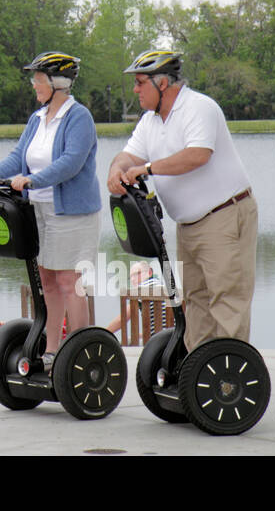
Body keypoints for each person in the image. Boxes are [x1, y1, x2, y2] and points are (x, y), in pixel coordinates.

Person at [105, 49, 257, 351]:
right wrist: (115, 170)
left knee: (227, 301)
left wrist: (146, 168)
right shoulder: (150, 121)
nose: (135, 90)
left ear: (162, 84)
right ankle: (197, 376)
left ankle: (229, 381)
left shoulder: (199, 107)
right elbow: (128, 155)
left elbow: (198, 155)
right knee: (196, 302)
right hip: (188, 224)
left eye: (139, 83)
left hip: (224, 214)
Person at [0, 51, 100, 360]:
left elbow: (70, 163)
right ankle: (51, 350)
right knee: (47, 280)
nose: (34, 85)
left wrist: (33, 180)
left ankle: (78, 351)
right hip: (39, 211)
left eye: (39, 79)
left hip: (72, 212)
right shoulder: (37, 119)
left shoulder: (78, 117)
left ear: (58, 83)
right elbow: (19, 157)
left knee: (69, 281)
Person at [105, 261, 164, 336]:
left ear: (149, 272)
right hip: (173, 337)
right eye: (131, 277)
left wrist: (103, 333)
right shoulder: (164, 287)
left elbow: (122, 319)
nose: (133, 279)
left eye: (137, 274)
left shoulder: (141, 290)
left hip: (156, 340)